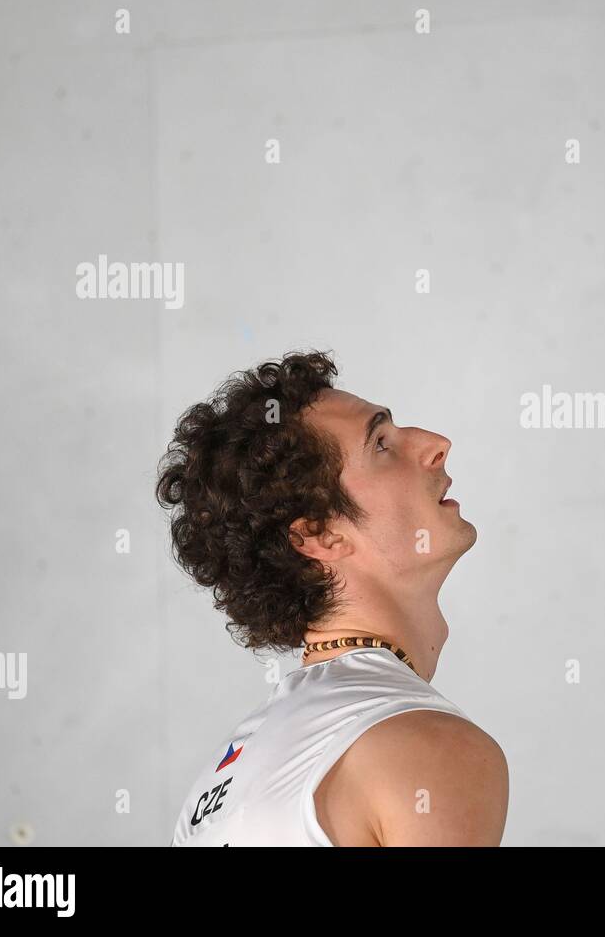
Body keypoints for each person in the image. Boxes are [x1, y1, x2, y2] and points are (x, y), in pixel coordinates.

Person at [156, 350, 508, 846]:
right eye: (381, 444)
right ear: (320, 534)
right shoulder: (423, 745)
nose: (435, 445)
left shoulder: (225, 775)